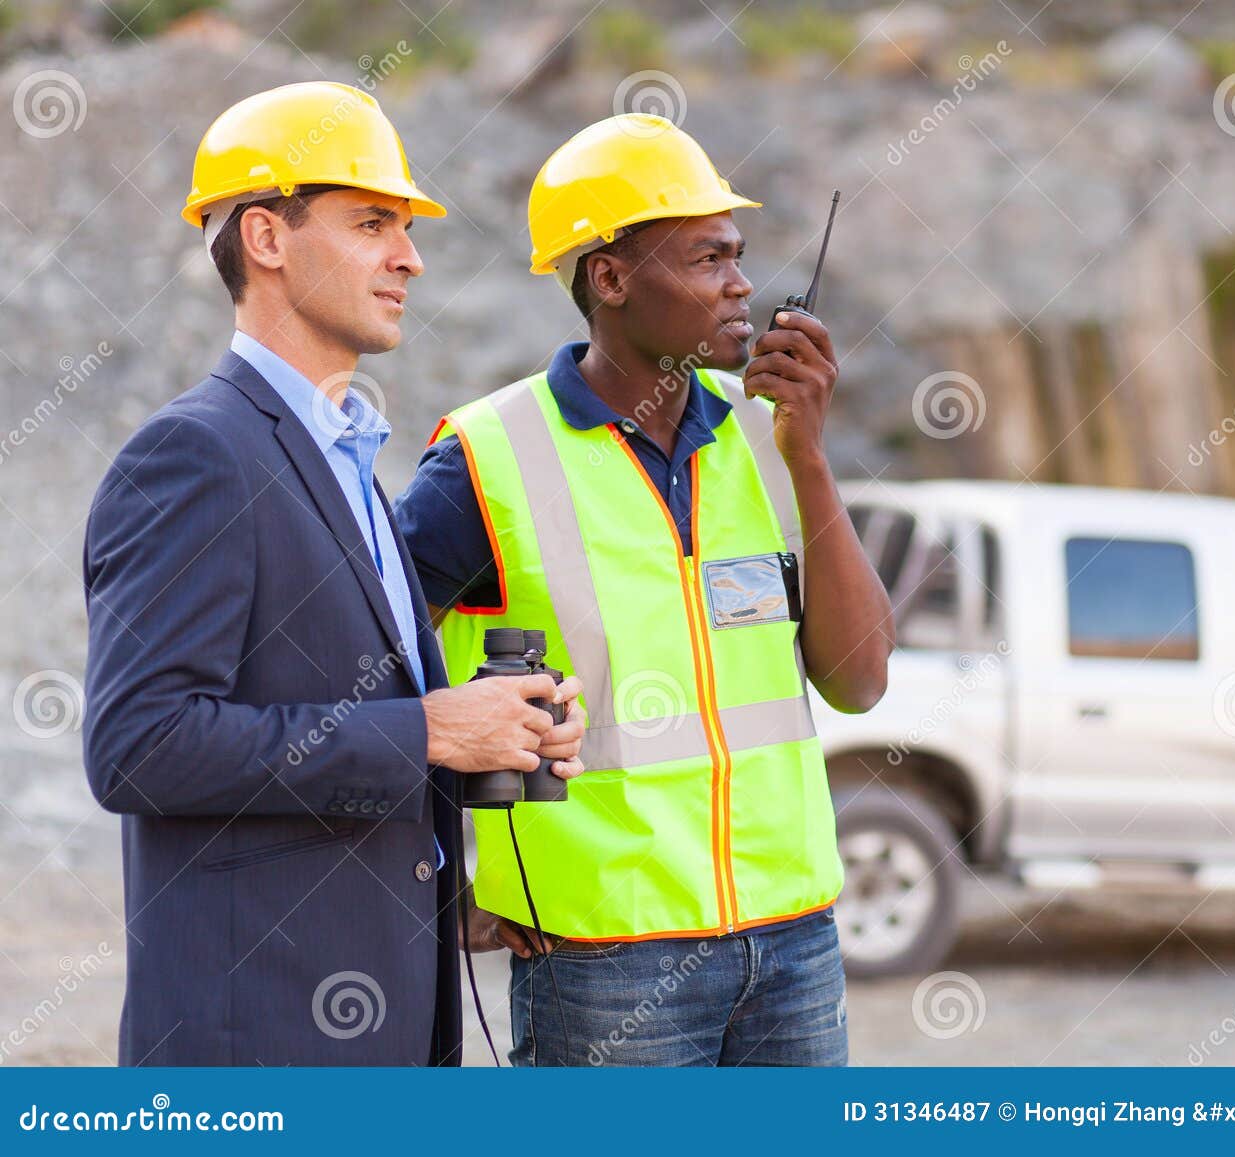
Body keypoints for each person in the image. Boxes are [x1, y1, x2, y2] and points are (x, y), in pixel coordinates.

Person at [81, 81, 586, 1066]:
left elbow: (334, 721)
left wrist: (484, 752)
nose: (410, 257)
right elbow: (139, 744)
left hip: (383, 1024)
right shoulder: (196, 454)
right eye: (371, 224)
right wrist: (430, 729)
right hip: (259, 1047)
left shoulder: (351, 464)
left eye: (406, 228)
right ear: (266, 237)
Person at [395, 113, 893, 1067]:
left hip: (793, 941)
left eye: (738, 256)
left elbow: (861, 680)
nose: (740, 284)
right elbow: (372, 670)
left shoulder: (770, 437)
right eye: (708, 258)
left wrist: (811, 458)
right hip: (604, 956)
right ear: (611, 279)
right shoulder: (488, 458)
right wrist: (446, 879)